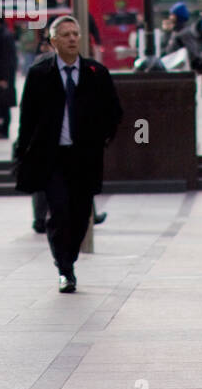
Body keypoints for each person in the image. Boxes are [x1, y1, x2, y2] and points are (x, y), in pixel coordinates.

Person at [13, 15, 123, 293]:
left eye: (75, 34)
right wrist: (21, 154)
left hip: (84, 158)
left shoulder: (96, 73)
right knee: (59, 212)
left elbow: (114, 112)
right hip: (52, 158)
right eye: (65, 35)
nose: (72, 39)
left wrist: (102, 137)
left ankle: (69, 258)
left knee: (80, 213)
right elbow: (27, 119)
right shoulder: (39, 75)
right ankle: (64, 268)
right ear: (53, 41)